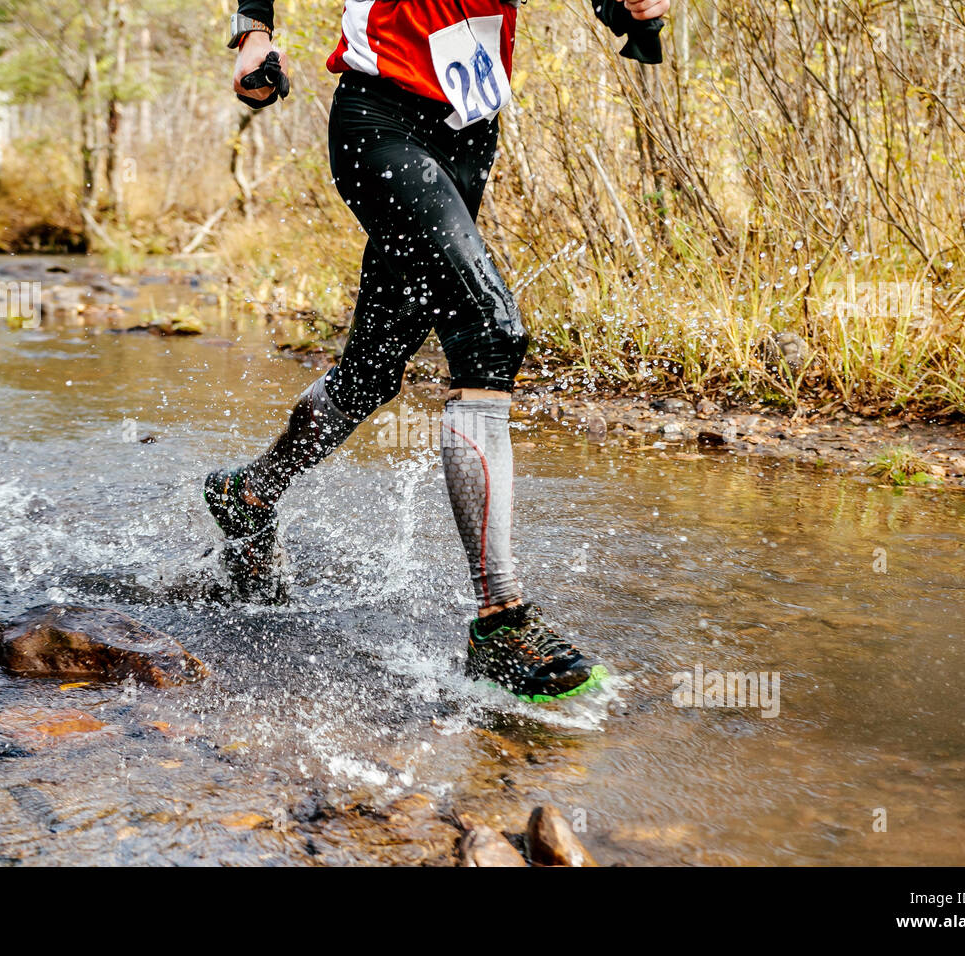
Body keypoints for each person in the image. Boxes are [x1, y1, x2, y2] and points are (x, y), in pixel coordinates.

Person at [207, 0, 671, 702]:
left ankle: (249, 492)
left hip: (468, 137)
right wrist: (253, 33)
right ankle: (502, 622)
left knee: (371, 374)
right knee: (490, 332)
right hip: (380, 125)